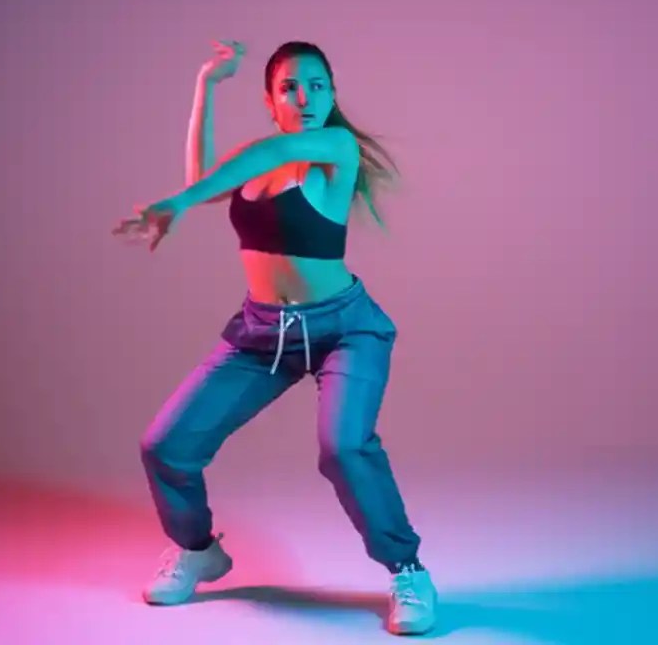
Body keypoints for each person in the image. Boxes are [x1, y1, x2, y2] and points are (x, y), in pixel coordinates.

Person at [112, 40, 437, 636]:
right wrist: (206, 88)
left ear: (333, 94)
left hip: (345, 328)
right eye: (289, 87)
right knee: (166, 445)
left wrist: (177, 204)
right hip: (263, 333)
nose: (305, 97)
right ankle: (197, 549)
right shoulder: (257, 163)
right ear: (270, 100)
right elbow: (208, 182)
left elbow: (263, 154)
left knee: (343, 448)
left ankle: (407, 568)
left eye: (317, 85)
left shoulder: (334, 148)